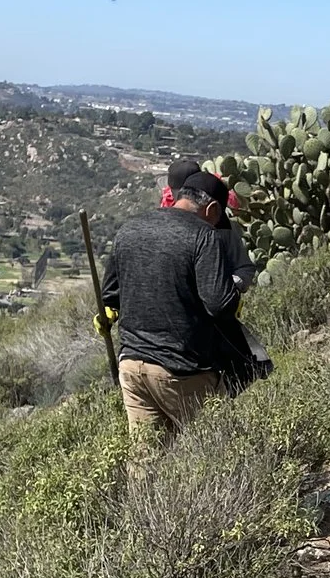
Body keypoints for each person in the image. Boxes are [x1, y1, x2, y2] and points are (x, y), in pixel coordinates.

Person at [98, 161, 252, 442]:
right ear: (212, 209)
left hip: (131, 365)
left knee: (146, 461)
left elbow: (109, 298)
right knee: (211, 453)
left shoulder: (130, 229)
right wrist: (234, 297)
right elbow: (218, 304)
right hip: (182, 370)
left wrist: (107, 316)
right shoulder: (204, 236)